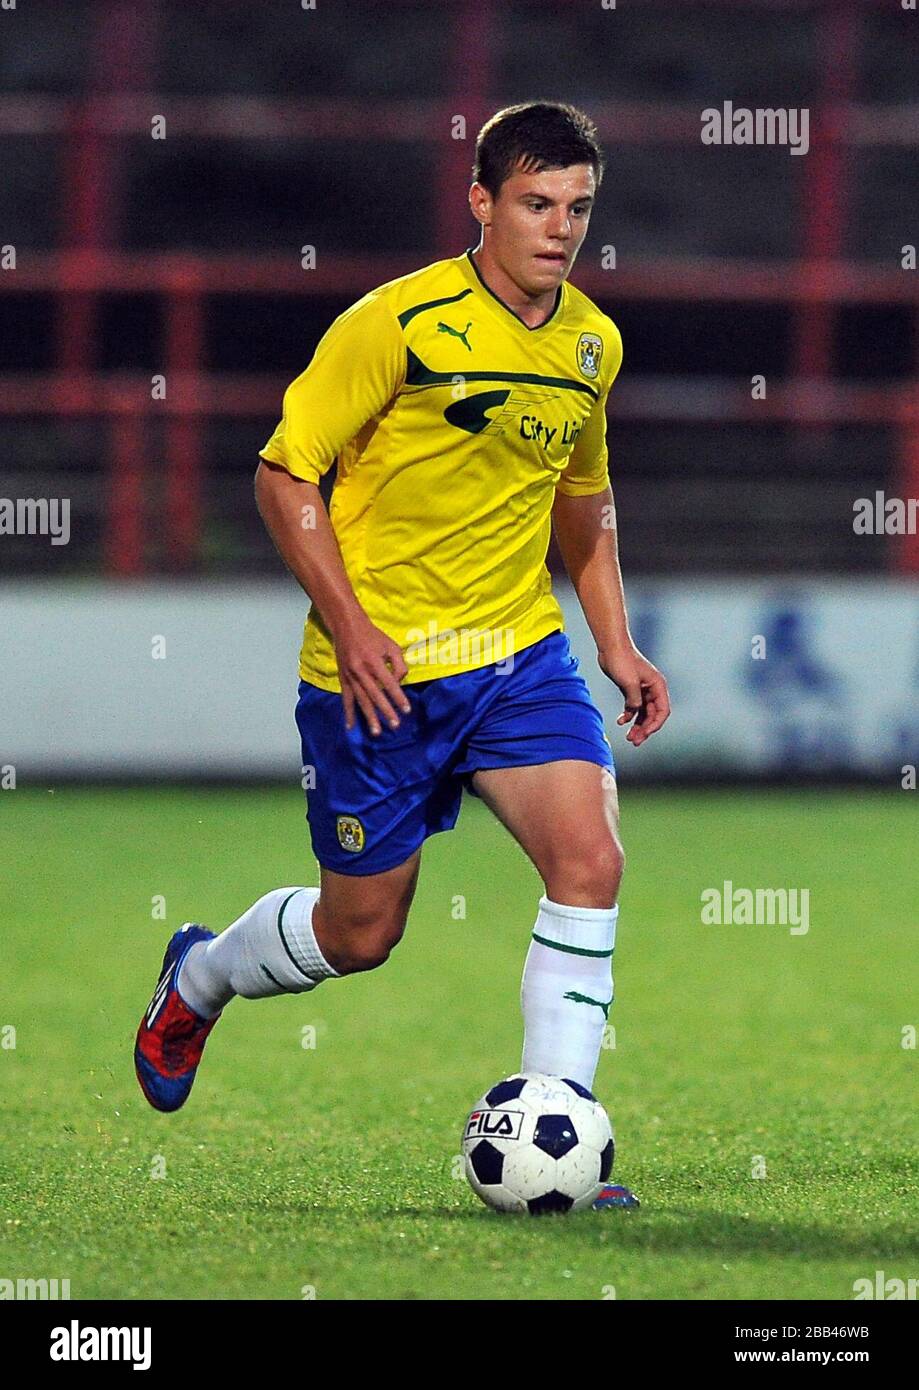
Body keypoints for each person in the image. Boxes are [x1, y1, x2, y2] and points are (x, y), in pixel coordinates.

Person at [134, 101, 670, 1210]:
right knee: (360, 931)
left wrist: (612, 638)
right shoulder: (399, 322)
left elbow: (585, 498)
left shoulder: (590, 344)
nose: (558, 228)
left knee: (592, 862)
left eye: (576, 207)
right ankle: (198, 975)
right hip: (376, 675)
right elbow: (286, 477)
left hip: (519, 655)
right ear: (480, 200)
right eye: (534, 202)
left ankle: (556, 1121)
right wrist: (352, 622)